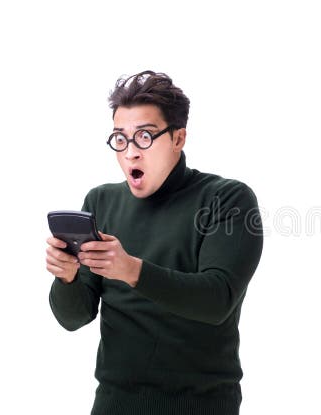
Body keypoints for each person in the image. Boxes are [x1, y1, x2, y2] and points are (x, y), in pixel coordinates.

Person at [46, 71, 263, 415]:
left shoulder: (227, 199)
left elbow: (217, 299)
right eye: (120, 138)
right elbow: (74, 318)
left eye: (144, 136)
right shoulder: (101, 202)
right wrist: (67, 276)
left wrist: (130, 269)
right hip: (113, 405)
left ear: (178, 138)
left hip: (202, 406)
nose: (130, 153)